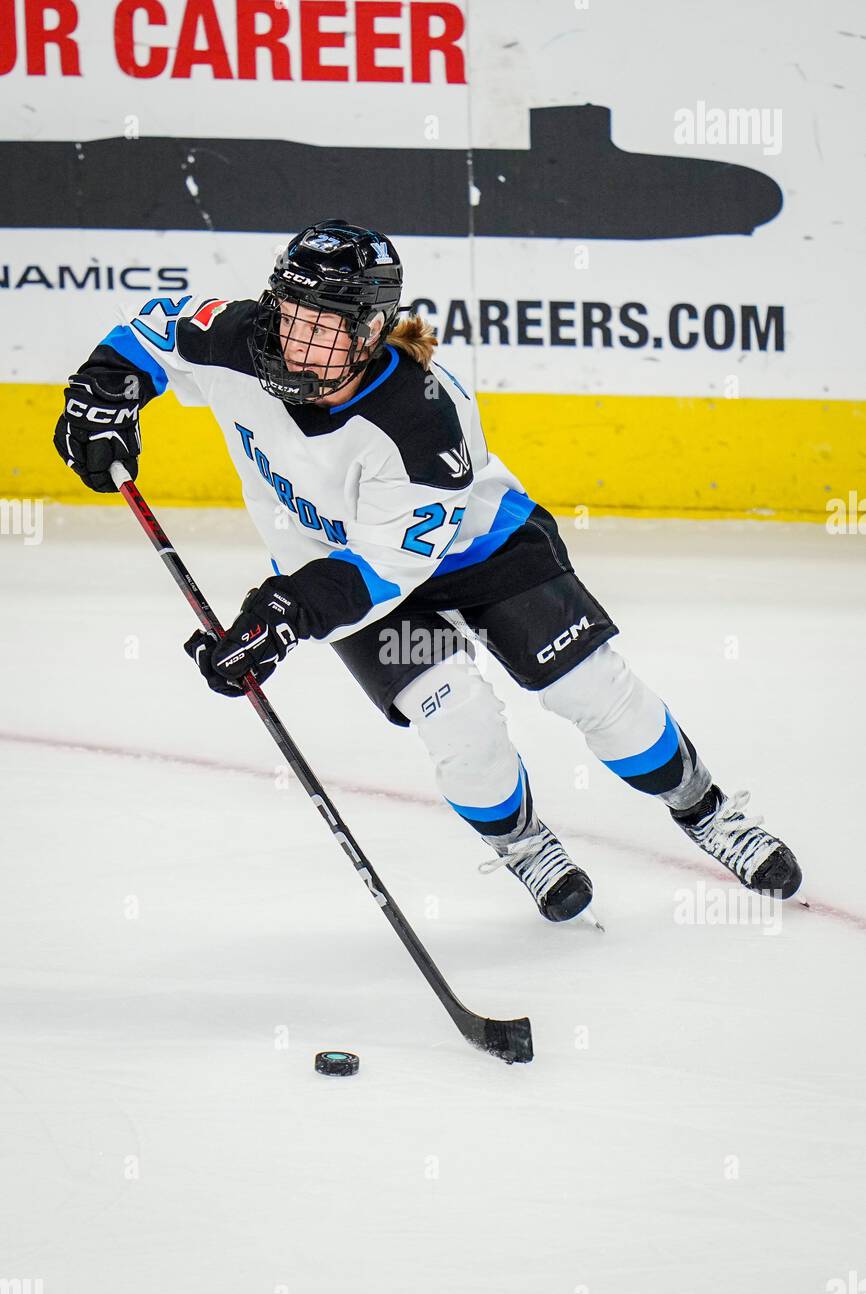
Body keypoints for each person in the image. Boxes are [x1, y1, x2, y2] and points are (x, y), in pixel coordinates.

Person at [53, 218, 802, 922]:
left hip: (474, 552)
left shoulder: (422, 421)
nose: (294, 343)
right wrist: (104, 393)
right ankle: (521, 844)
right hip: (336, 569)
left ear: (371, 331)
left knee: (593, 691)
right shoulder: (237, 337)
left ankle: (705, 810)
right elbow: (148, 332)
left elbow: (386, 568)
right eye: (289, 315)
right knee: (459, 719)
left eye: (322, 329)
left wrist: (281, 615)